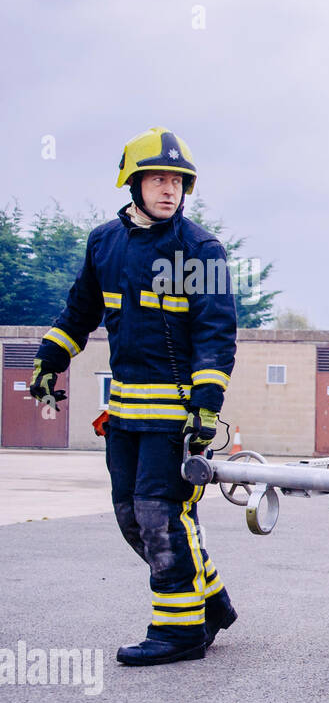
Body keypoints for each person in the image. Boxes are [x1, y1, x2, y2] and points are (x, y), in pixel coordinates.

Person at [29, 127, 238, 666]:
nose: (169, 190)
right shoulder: (105, 242)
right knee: (130, 516)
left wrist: (207, 409)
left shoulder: (200, 250)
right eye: (158, 179)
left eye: (177, 181)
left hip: (174, 414)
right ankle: (209, 600)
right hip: (123, 412)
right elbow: (80, 311)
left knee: (159, 514)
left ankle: (178, 632)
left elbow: (216, 335)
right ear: (133, 183)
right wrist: (50, 360)